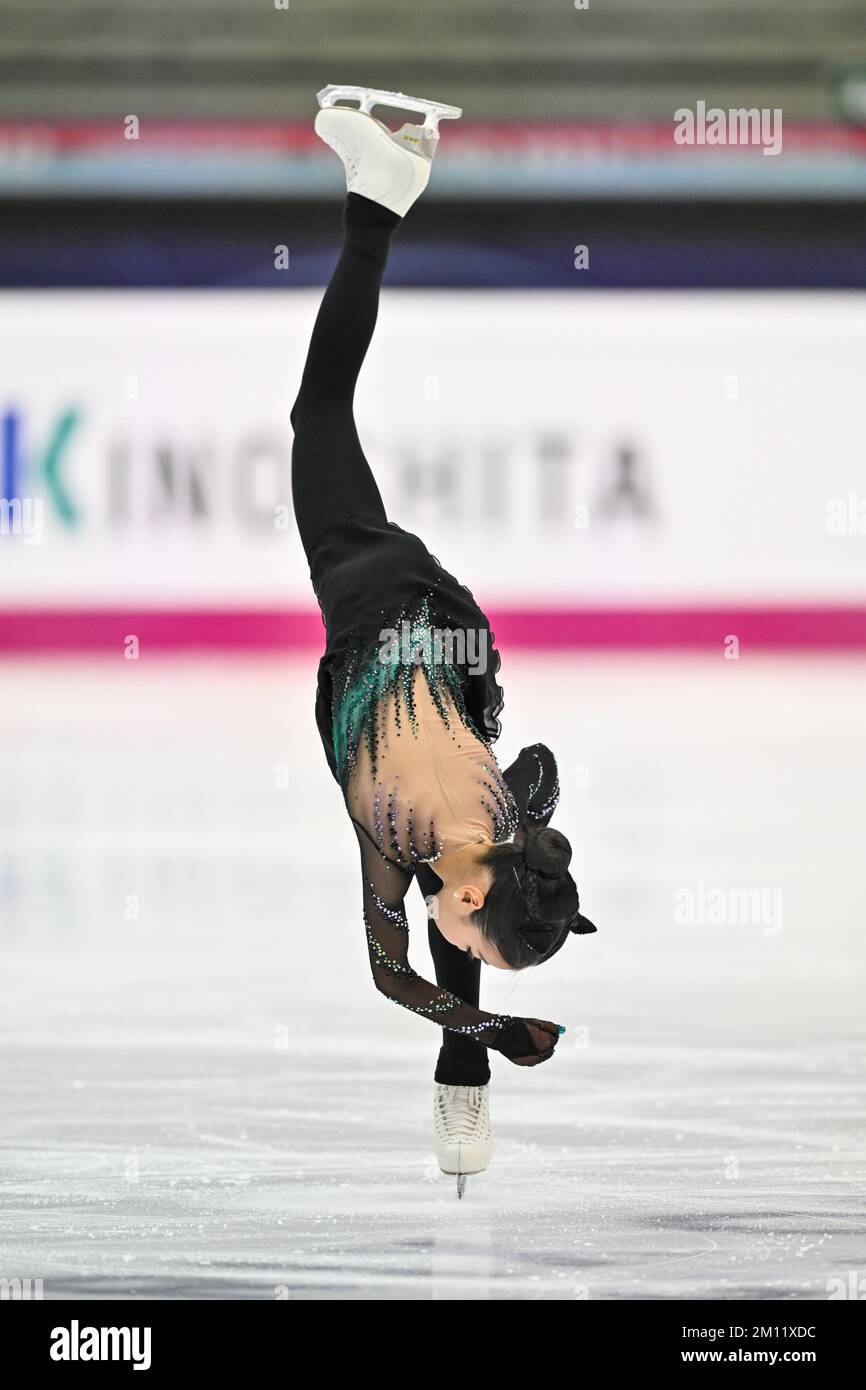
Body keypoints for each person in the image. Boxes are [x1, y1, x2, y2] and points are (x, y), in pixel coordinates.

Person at [290, 87, 596, 1183]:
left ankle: (382, 191)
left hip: (448, 630)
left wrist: (532, 815)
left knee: (457, 833)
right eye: (473, 930)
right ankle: (379, 193)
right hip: (374, 601)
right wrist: (484, 1034)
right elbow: (392, 969)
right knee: (317, 415)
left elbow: (540, 772)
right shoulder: (391, 828)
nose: (462, 940)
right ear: (472, 897)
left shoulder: (491, 824)